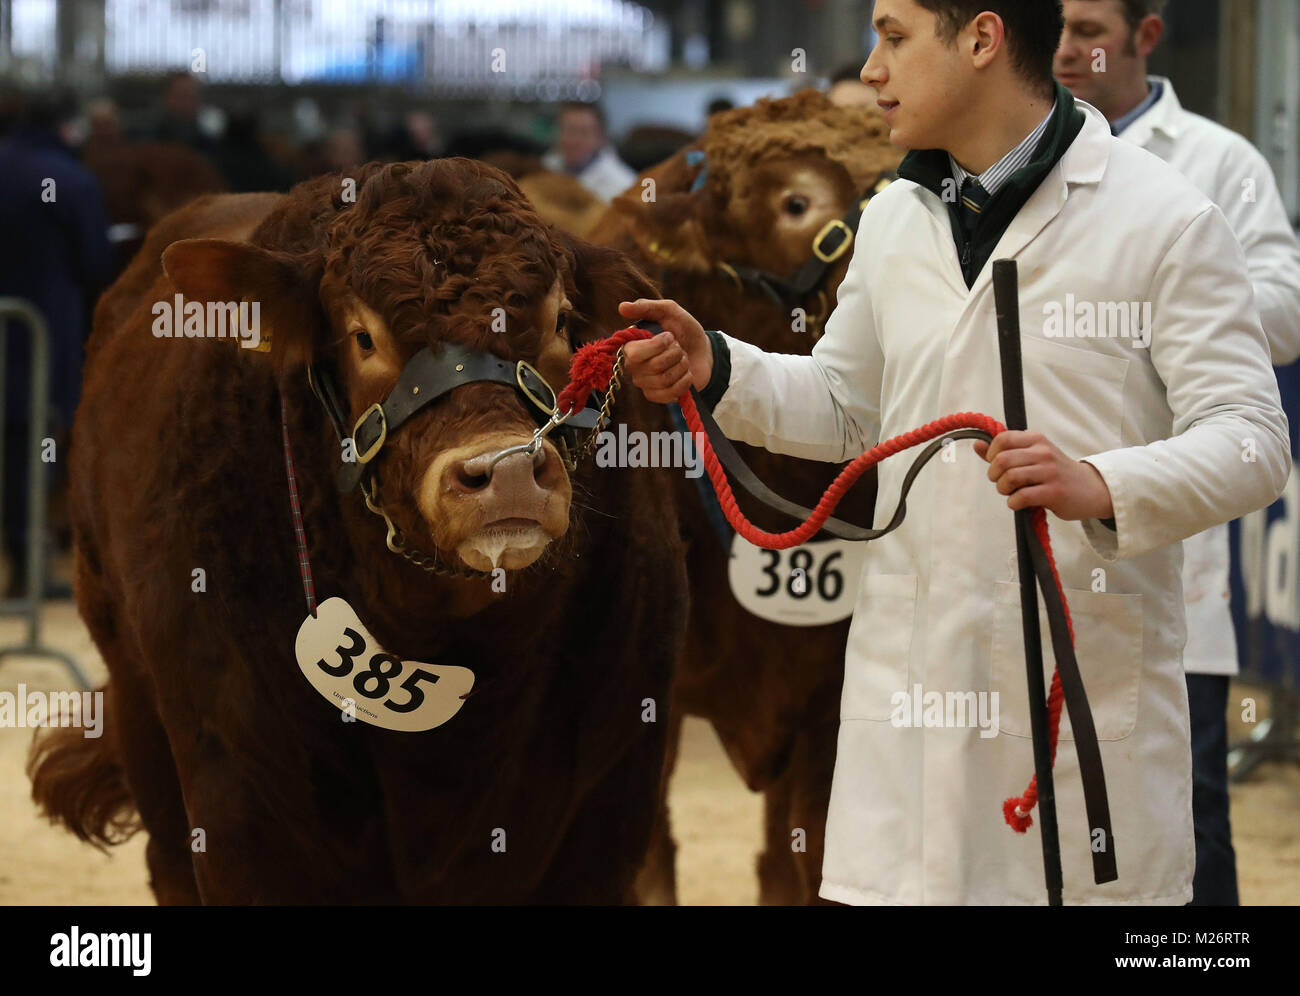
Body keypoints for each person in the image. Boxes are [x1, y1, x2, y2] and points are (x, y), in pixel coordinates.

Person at [619, 0, 1289, 905]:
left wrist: (1102, 482)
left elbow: (1252, 438)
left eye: (893, 37)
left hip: (1075, 709)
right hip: (907, 725)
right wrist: (719, 365)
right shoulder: (895, 217)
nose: (869, 71)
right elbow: (852, 409)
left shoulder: (1165, 220)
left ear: (980, 39)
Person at [1055, 0, 1300, 909]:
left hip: (1168, 538)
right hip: (1038, 535)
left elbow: (1285, 306)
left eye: (1089, 31)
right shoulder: (1018, 160)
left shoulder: (1217, 161)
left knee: (1188, 802)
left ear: (1145, 37)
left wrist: (1177, 302)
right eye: (1058, 30)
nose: (1069, 51)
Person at [0, 93, 112, 596]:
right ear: (67, 127)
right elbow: (95, 265)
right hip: (42, 336)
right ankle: (28, 566)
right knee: (35, 444)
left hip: (23, 327)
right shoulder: (70, 180)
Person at [541, 102, 636, 202]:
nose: (573, 140)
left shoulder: (625, 186)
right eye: (568, 130)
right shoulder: (544, 167)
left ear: (600, 138)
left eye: (584, 133)